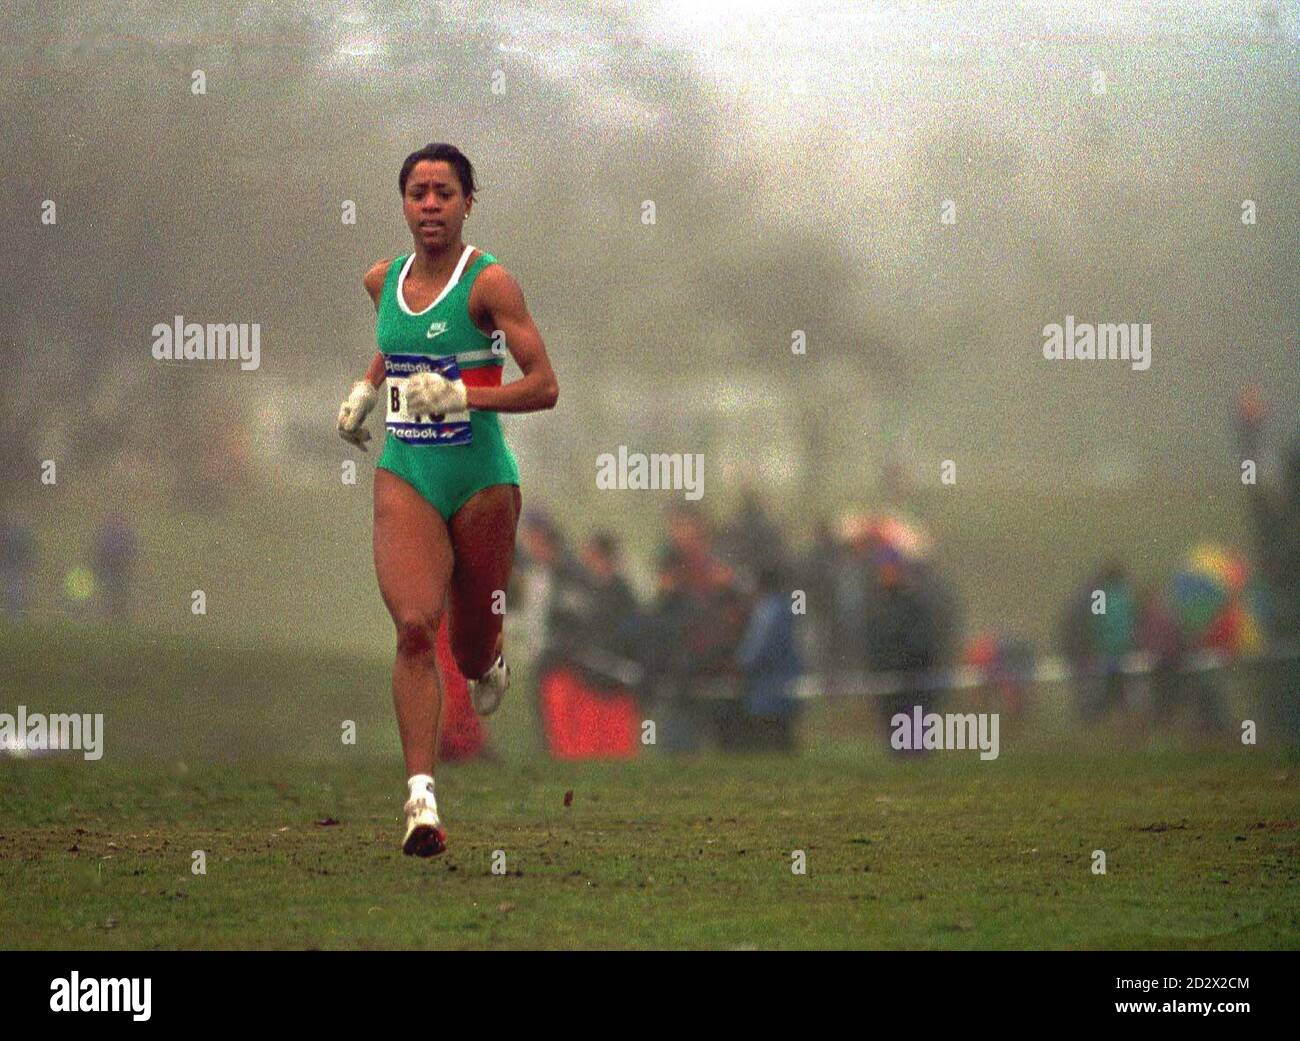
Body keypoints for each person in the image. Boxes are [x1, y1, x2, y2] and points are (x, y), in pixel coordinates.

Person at [335, 143, 558, 857]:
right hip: (408, 470)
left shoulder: (490, 285)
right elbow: (396, 341)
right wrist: (367, 390)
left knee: (465, 647)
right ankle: (421, 799)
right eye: (418, 192)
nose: (430, 205)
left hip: (481, 479)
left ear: (467, 202)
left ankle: (489, 651)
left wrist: (464, 393)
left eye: (444, 193)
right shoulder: (382, 279)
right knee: (412, 626)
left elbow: (545, 385)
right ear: (403, 203)